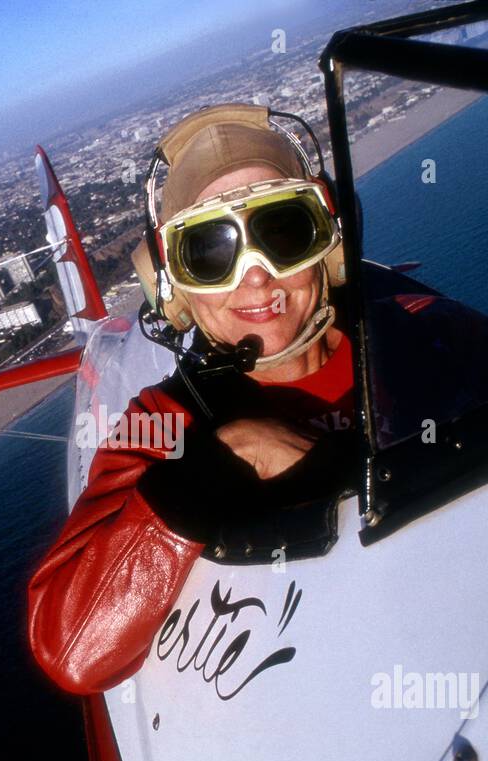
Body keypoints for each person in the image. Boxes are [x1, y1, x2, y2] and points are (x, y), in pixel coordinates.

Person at [27, 104, 359, 695]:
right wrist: (221, 457)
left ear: (329, 240)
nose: (254, 277)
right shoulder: (161, 424)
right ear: (170, 285)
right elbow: (71, 647)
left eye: (283, 229)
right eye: (208, 253)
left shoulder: (422, 336)